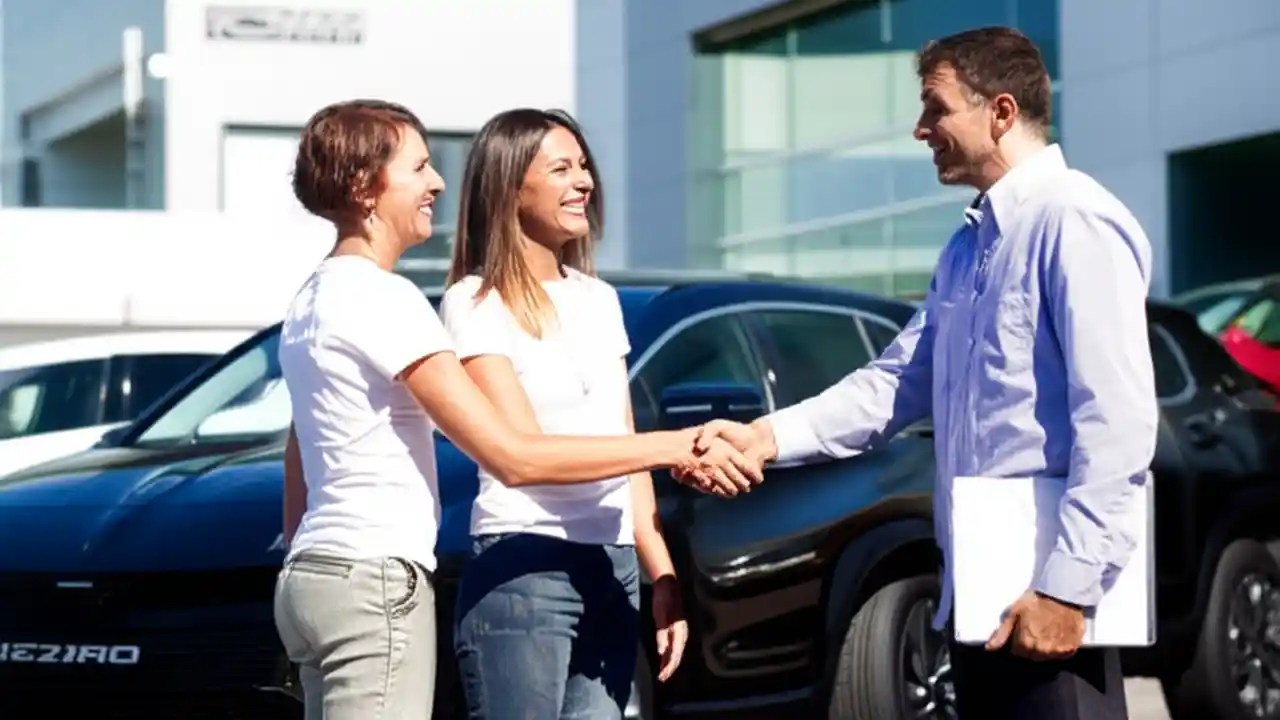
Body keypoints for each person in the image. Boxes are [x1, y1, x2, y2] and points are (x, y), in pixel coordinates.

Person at [693, 26, 1158, 720]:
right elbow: (894, 382)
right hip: (983, 598)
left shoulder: (1073, 221)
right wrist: (766, 437)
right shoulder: (969, 246)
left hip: (1053, 606)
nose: (920, 129)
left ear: (1000, 111)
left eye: (935, 107)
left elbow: (1118, 424)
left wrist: (1070, 589)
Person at [272, 99, 760, 720]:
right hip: (395, 575)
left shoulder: (313, 298)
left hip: (324, 573)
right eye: (420, 167)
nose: (437, 182)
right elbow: (514, 456)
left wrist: (303, 563)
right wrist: (681, 444)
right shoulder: (390, 299)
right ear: (367, 187)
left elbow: (300, 452)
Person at [438, 108, 688, 720]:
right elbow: (525, 453)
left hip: (613, 566)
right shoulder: (473, 303)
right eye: (561, 168)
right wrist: (674, 445)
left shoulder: (599, 300)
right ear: (509, 186)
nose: (585, 182)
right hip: (526, 567)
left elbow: (622, 440)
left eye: (584, 167)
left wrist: (663, 575)